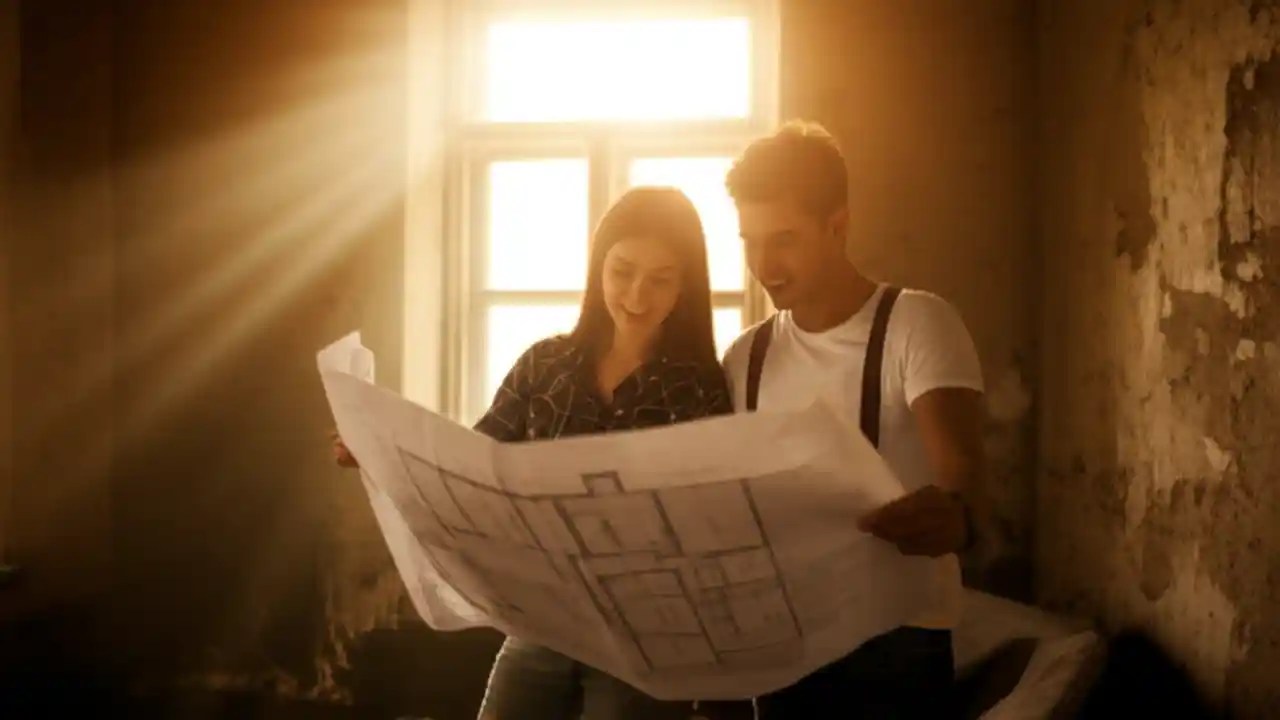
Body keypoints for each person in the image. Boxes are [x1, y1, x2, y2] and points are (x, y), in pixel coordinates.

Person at [333, 186, 732, 720]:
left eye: (661, 279)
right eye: (622, 271)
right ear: (598, 266)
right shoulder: (545, 365)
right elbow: (467, 466)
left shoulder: (701, 388)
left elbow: (711, 521)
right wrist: (379, 452)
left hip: (648, 639)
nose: (638, 294)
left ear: (686, 285)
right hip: (543, 621)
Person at [720, 121, 986, 718]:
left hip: (898, 643)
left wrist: (954, 515)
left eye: (783, 239)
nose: (763, 264)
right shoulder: (744, 358)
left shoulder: (915, 324)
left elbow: (963, 477)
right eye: (749, 241)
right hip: (788, 644)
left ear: (837, 226)